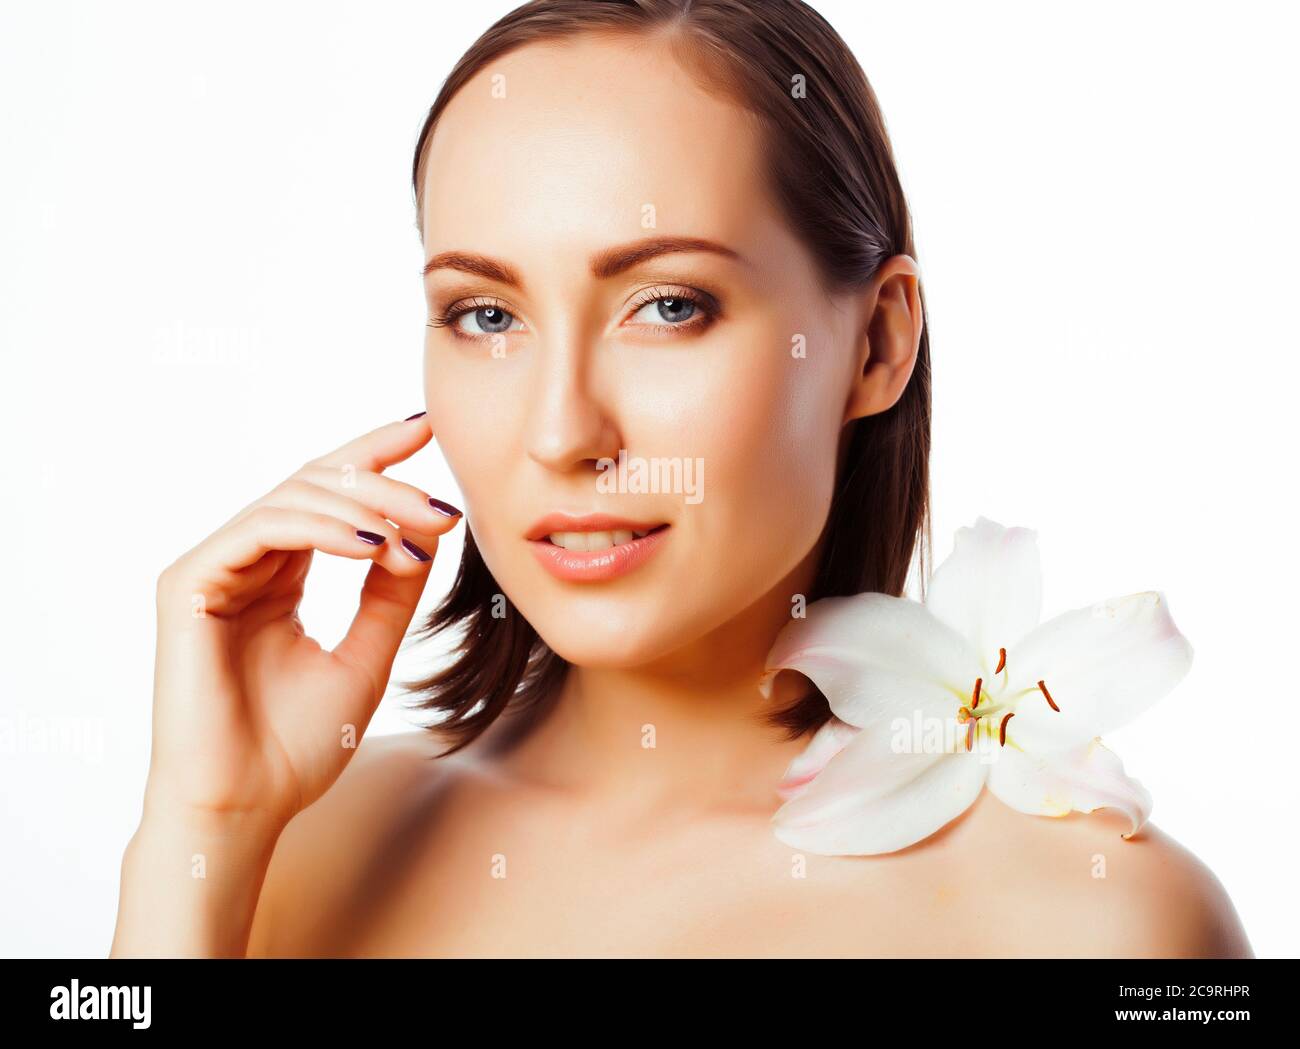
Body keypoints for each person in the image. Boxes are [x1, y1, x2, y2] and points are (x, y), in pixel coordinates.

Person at [110, 0, 1252, 958]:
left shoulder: (1101, 923)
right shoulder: (299, 846)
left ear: (873, 344)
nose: (561, 432)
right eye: (486, 313)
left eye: (668, 305)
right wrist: (197, 833)